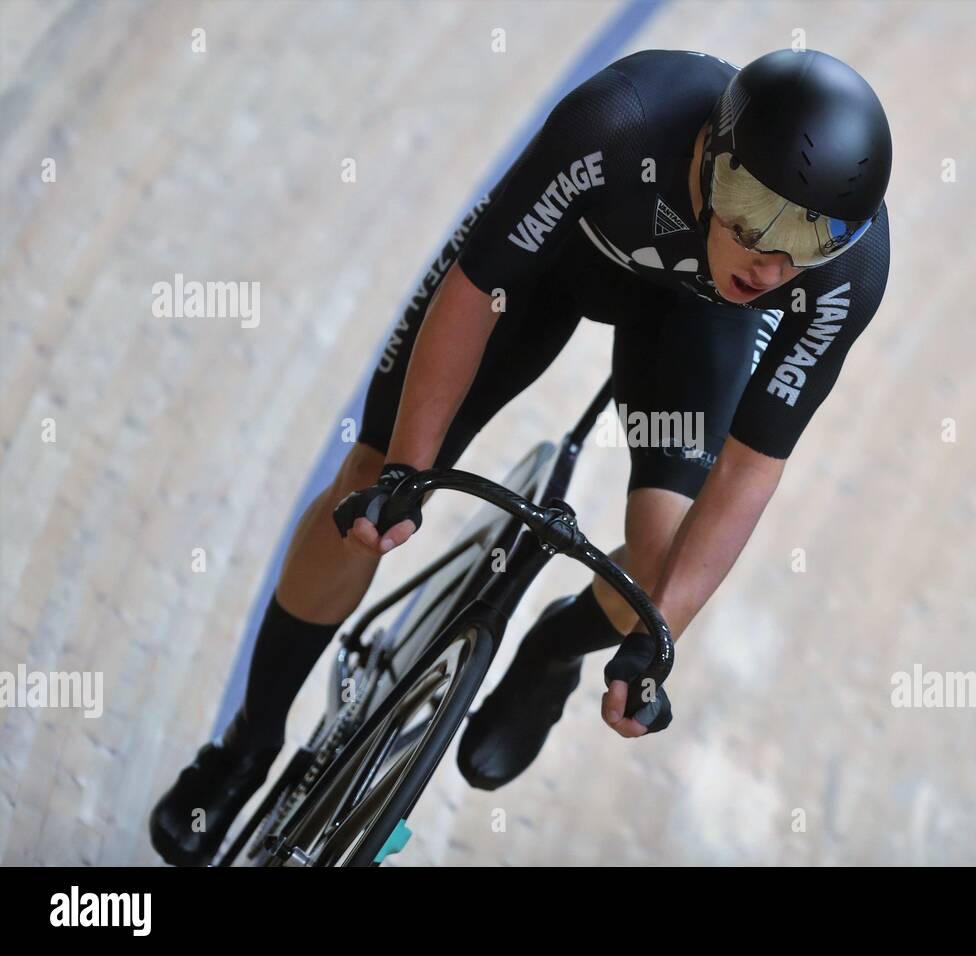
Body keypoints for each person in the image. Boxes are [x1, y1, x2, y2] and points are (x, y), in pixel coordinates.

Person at [149, 47, 892, 865]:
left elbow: (751, 464)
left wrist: (658, 636)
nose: (772, 260)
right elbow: (477, 287)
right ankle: (247, 743)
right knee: (366, 483)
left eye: (810, 238)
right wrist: (407, 469)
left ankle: (551, 650)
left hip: (692, 325)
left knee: (660, 567)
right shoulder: (617, 124)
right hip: (544, 275)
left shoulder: (845, 274)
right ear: (710, 155)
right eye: (755, 211)